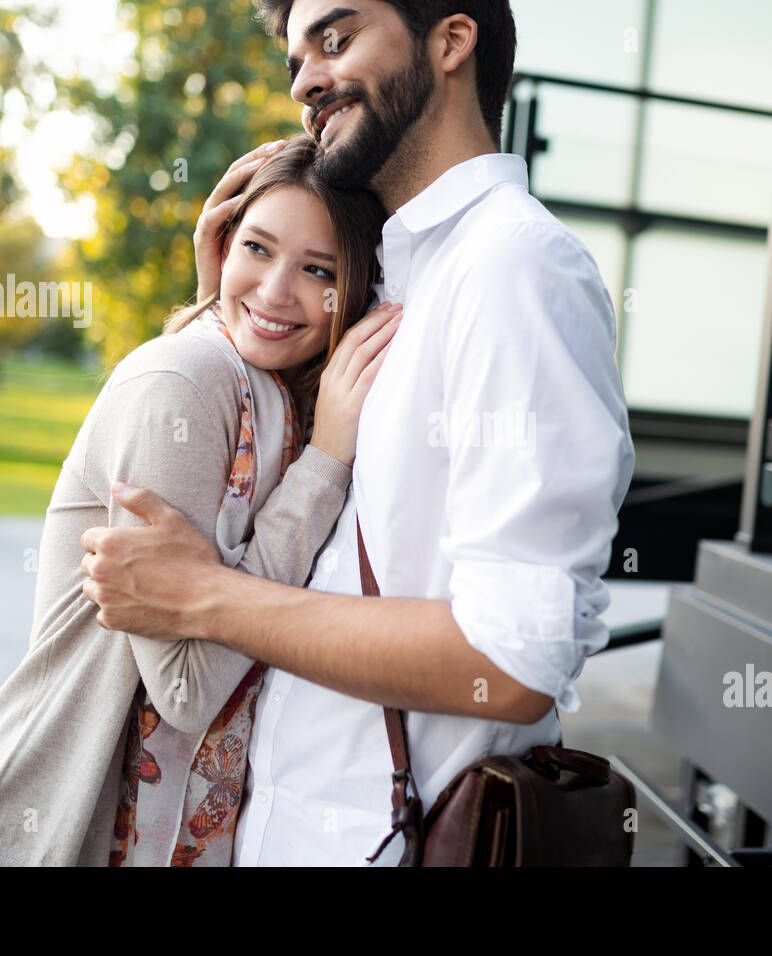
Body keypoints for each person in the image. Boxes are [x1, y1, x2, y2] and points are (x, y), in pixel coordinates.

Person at [80, 0, 636, 866]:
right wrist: (217, 305)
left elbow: (514, 662)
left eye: (335, 39)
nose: (303, 79)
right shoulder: (399, 269)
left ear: (451, 41)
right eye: (296, 55)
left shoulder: (514, 271)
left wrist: (205, 596)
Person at [0, 135, 395, 865]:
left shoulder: (278, 398)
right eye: (258, 249)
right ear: (225, 243)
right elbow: (185, 688)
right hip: (57, 825)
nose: (274, 291)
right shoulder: (184, 381)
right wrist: (327, 462)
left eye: (317, 270)